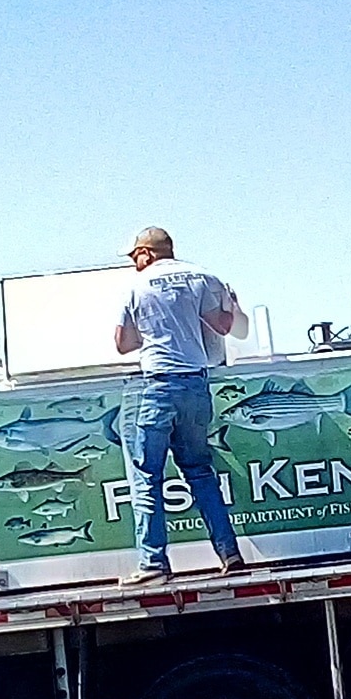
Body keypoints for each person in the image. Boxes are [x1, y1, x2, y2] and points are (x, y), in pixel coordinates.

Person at [113, 226, 245, 581]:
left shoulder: (136, 287)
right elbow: (223, 325)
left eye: (134, 257)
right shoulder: (204, 277)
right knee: (200, 473)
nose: (134, 263)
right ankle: (229, 554)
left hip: (158, 387)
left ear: (146, 254)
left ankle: (154, 564)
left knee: (147, 478)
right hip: (196, 386)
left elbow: (123, 345)